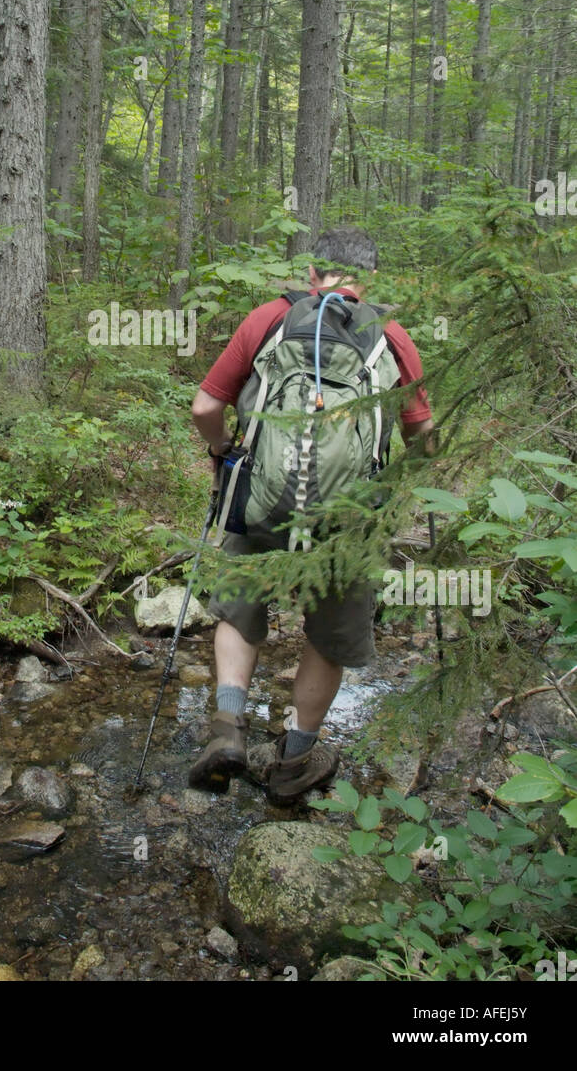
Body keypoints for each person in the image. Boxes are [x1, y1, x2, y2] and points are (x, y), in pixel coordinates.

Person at [188, 226, 435, 803]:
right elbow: (423, 432)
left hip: (263, 497)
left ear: (312, 274)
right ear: (366, 279)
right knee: (328, 635)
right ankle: (296, 759)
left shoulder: (270, 319)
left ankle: (227, 728)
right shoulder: (390, 335)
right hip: (349, 518)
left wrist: (224, 451)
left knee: (239, 604)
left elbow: (205, 406)